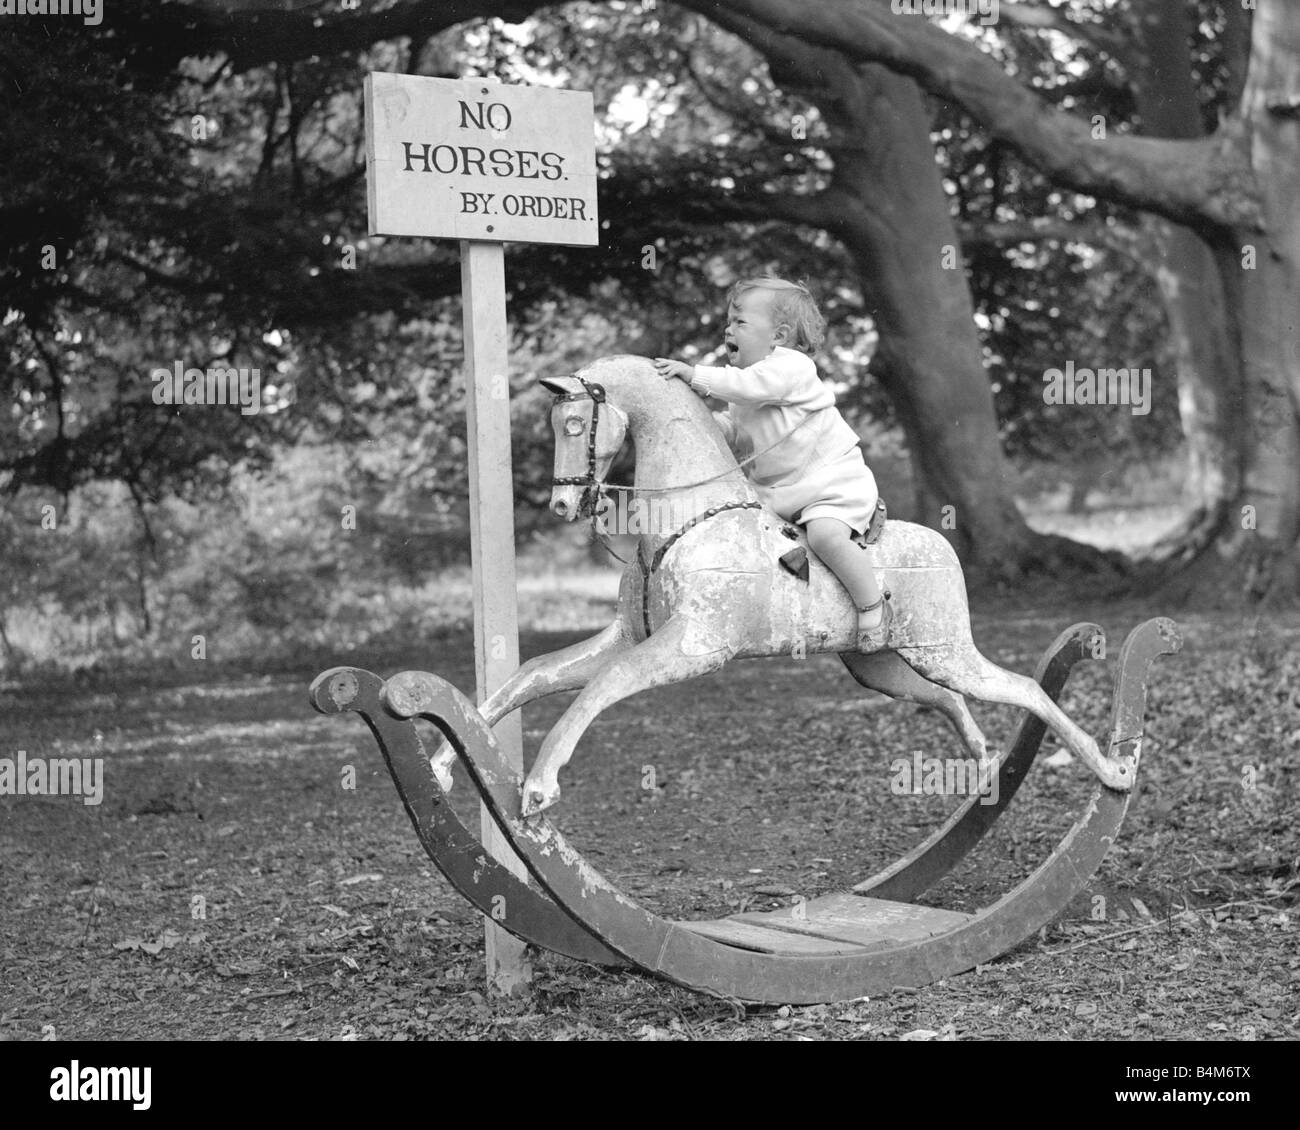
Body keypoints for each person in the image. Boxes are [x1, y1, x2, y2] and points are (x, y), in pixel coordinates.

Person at [654, 277, 892, 650]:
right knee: (754, 536)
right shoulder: (745, 385)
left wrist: (693, 374)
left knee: (826, 537)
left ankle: (873, 606)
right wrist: (706, 427)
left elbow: (750, 388)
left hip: (832, 484)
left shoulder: (790, 368)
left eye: (740, 323)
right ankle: (800, 607)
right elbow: (740, 430)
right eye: (728, 322)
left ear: (779, 336)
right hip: (782, 492)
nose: (728, 329)